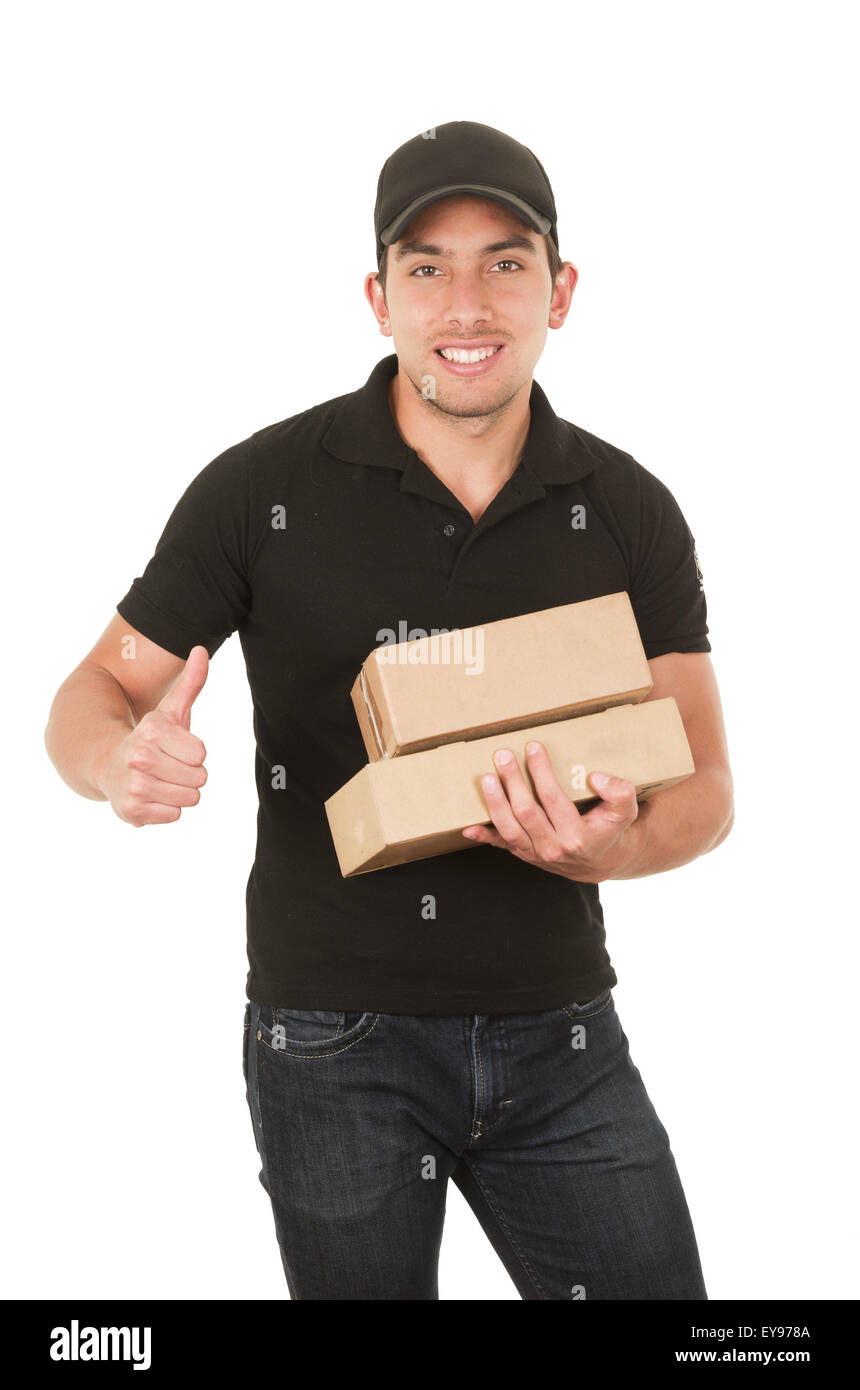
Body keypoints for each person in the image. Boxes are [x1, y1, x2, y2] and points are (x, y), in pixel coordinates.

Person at [44, 120, 734, 1300]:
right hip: (329, 1039)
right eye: (426, 267)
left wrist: (612, 845)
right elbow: (95, 688)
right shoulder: (261, 488)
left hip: (560, 1034)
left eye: (504, 263)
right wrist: (117, 761)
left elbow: (707, 788)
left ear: (559, 291)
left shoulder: (626, 510)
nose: (465, 304)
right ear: (377, 297)